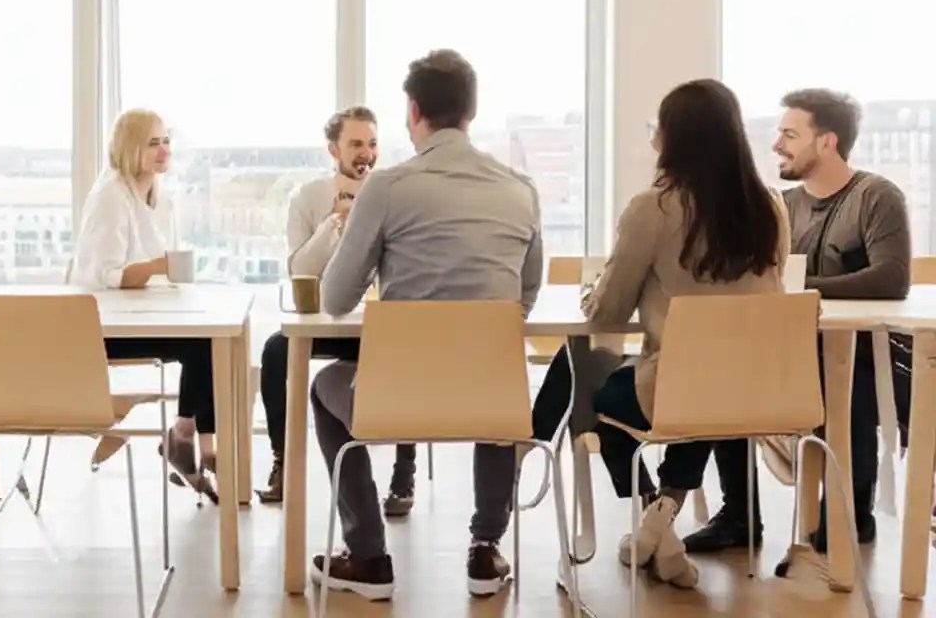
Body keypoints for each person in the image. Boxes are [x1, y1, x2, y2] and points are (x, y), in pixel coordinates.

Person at [308, 49, 543, 601]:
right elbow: (523, 299)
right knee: (493, 378)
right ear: (471, 111)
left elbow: (336, 298)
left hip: (395, 400)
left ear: (413, 111)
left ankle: (367, 558)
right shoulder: (520, 190)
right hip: (493, 399)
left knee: (324, 388)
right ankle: (486, 549)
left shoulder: (386, 188)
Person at [582, 78, 789, 586]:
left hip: (682, 389)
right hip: (760, 390)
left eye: (659, 128)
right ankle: (663, 531)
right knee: (703, 394)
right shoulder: (770, 207)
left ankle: (656, 521)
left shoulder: (653, 207)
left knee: (596, 403)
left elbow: (606, 314)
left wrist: (592, 290)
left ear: (676, 138)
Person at [685, 88, 911, 554]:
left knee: (849, 383)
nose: (776, 144)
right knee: (722, 374)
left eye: (790, 134)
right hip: (787, 350)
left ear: (827, 142)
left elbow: (891, 278)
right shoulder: (779, 206)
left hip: (864, 357)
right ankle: (739, 514)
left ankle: (849, 512)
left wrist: (797, 284)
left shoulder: (876, 197)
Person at [255, 106, 418, 513]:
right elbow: (299, 270)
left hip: (378, 322)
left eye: (373, 143)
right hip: (327, 320)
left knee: (411, 349)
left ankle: (404, 475)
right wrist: (334, 224)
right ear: (334, 149)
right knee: (276, 352)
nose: (366, 152)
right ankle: (283, 463)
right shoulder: (308, 198)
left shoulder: (391, 195)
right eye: (356, 144)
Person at [70, 108, 219, 502]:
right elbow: (109, 275)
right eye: (153, 142)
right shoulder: (110, 197)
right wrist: (161, 266)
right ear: (130, 147)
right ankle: (194, 444)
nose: (164, 150)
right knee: (203, 345)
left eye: (166, 140)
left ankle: (192, 438)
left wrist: (166, 272)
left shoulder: (160, 196)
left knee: (209, 340)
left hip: (140, 316)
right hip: (100, 330)